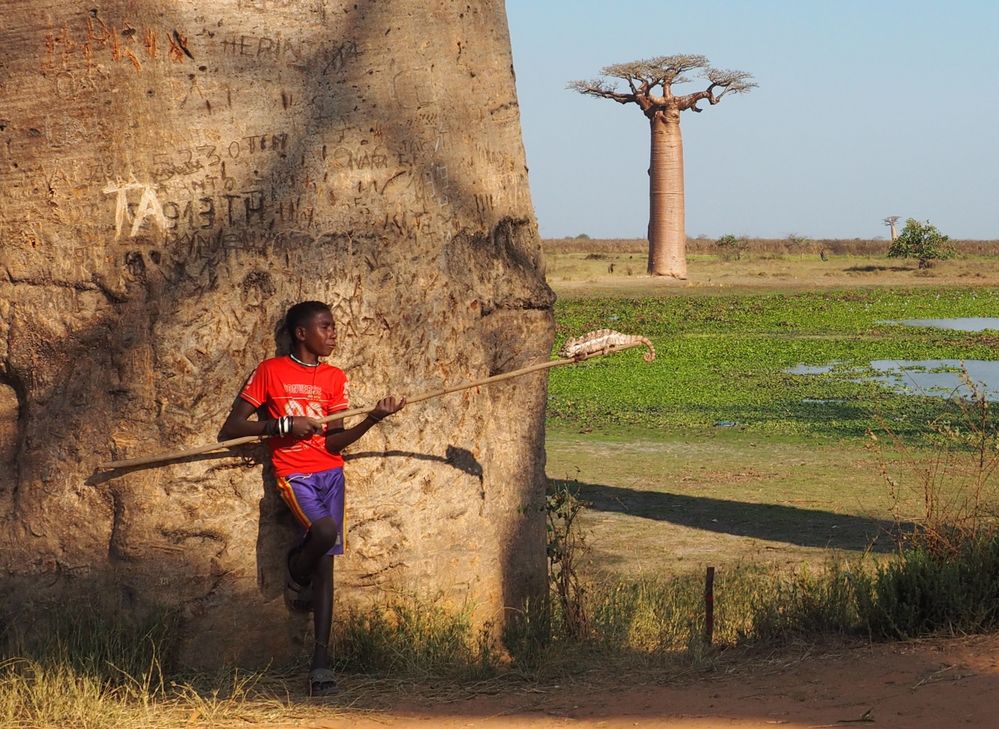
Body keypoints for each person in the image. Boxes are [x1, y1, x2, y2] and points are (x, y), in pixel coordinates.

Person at [218, 300, 405, 696]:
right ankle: (295, 570)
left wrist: (372, 418)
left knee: (327, 563)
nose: (333, 334)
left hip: (330, 473)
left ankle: (321, 660)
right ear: (301, 333)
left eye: (334, 327)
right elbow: (231, 428)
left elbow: (334, 442)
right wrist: (284, 424)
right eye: (326, 327)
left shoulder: (335, 377)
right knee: (323, 531)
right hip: (295, 473)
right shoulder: (270, 372)